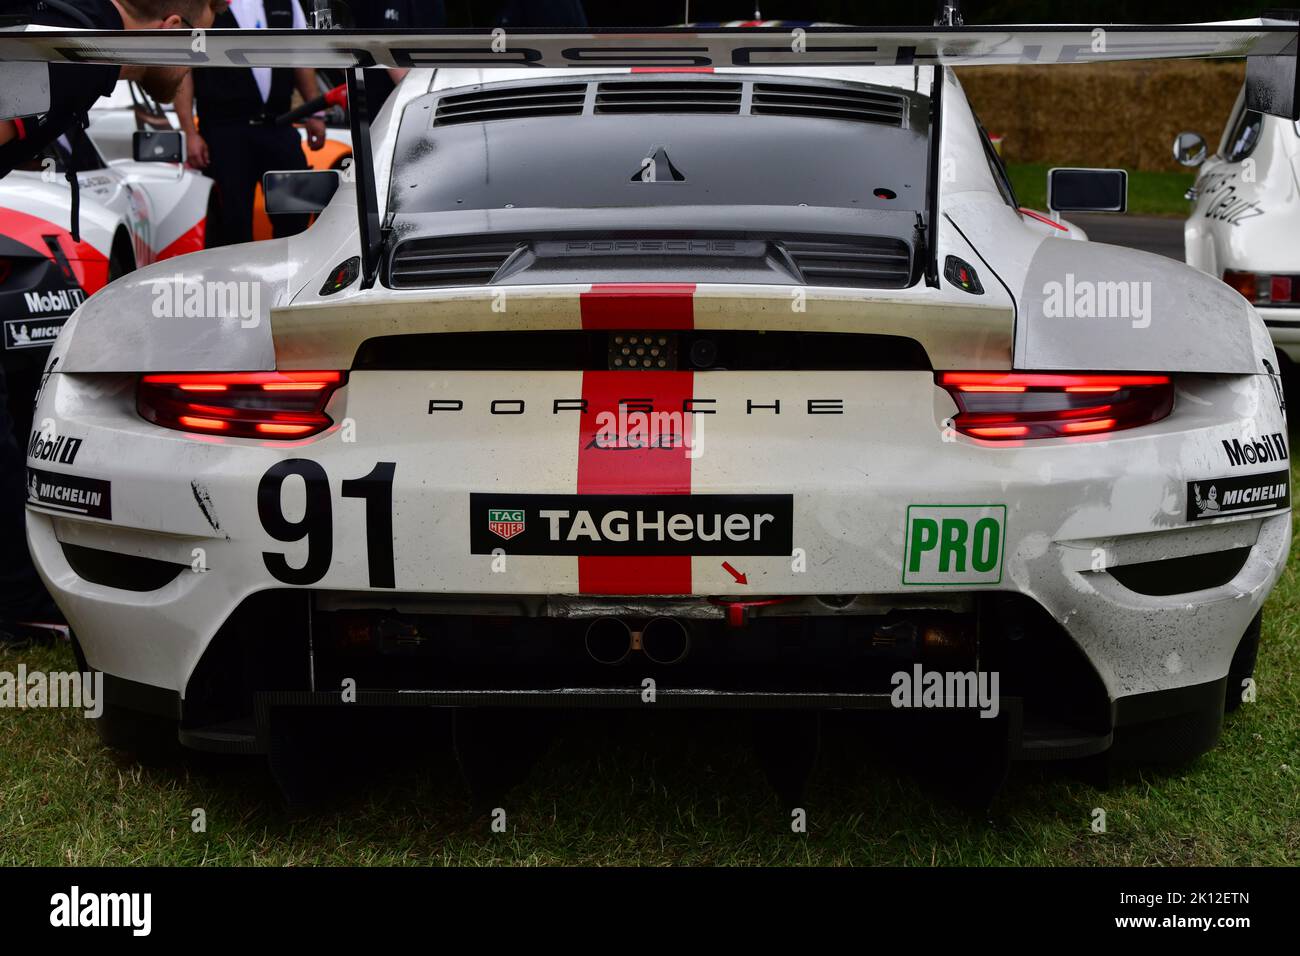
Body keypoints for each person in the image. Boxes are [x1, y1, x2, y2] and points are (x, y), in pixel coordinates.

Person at [0, 0, 222, 642]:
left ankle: (18, 594)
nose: (187, 69)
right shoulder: (75, 48)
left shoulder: (73, 33)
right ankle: (18, 598)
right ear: (176, 32)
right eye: (195, 50)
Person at [172, 0, 327, 245]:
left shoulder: (285, 3)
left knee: (295, 215)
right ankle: (236, 282)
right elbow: (184, 68)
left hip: (278, 125)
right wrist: (190, 132)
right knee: (233, 222)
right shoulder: (203, 5)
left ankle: (291, 277)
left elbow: (300, 57)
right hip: (226, 130)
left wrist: (315, 112)